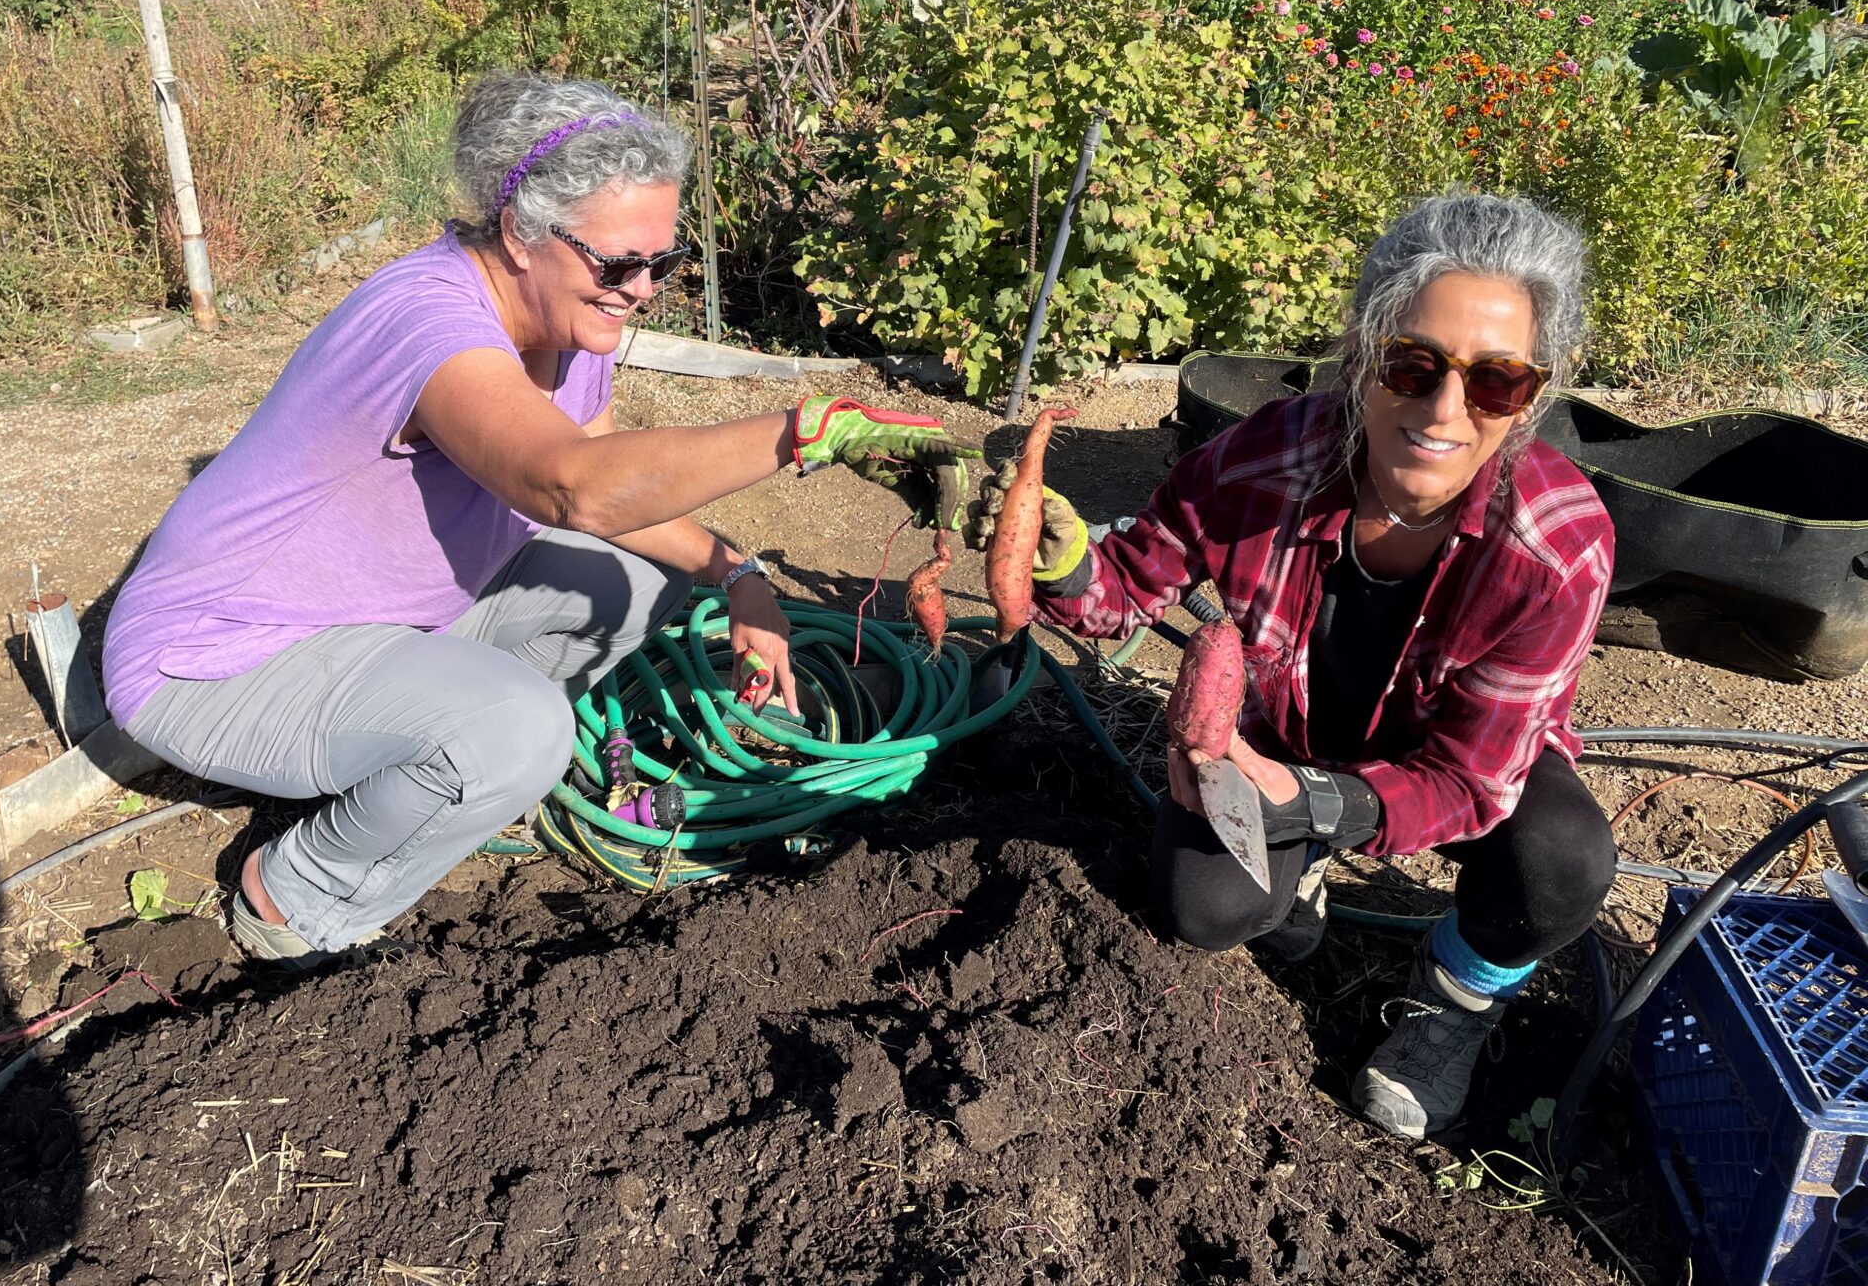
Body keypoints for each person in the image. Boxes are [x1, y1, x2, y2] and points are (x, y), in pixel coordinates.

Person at [102, 74, 975, 968]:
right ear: (521, 230)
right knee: (518, 729)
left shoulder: (565, 328)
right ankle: (297, 895)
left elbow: (620, 496)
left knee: (638, 575)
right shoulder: (427, 321)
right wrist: (808, 432)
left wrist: (737, 574)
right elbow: (574, 489)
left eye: (661, 264)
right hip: (219, 666)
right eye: (618, 263)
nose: (642, 289)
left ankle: (448, 768)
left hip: (381, 627)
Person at [967, 193, 1617, 1139]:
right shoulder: (1265, 462)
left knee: (1560, 859)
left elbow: (1473, 785)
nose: (1444, 410)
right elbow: (1126, 592)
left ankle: (1457, 1003)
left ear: (1532, 396)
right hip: (1280, 737)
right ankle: (1299, 871)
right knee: (1208, 909)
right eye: (1413, 365)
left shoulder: (1553, 549)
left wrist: (1310, 803)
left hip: (1453, 767)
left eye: (1495, 382)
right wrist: (1062, 562)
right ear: (1362, 357)